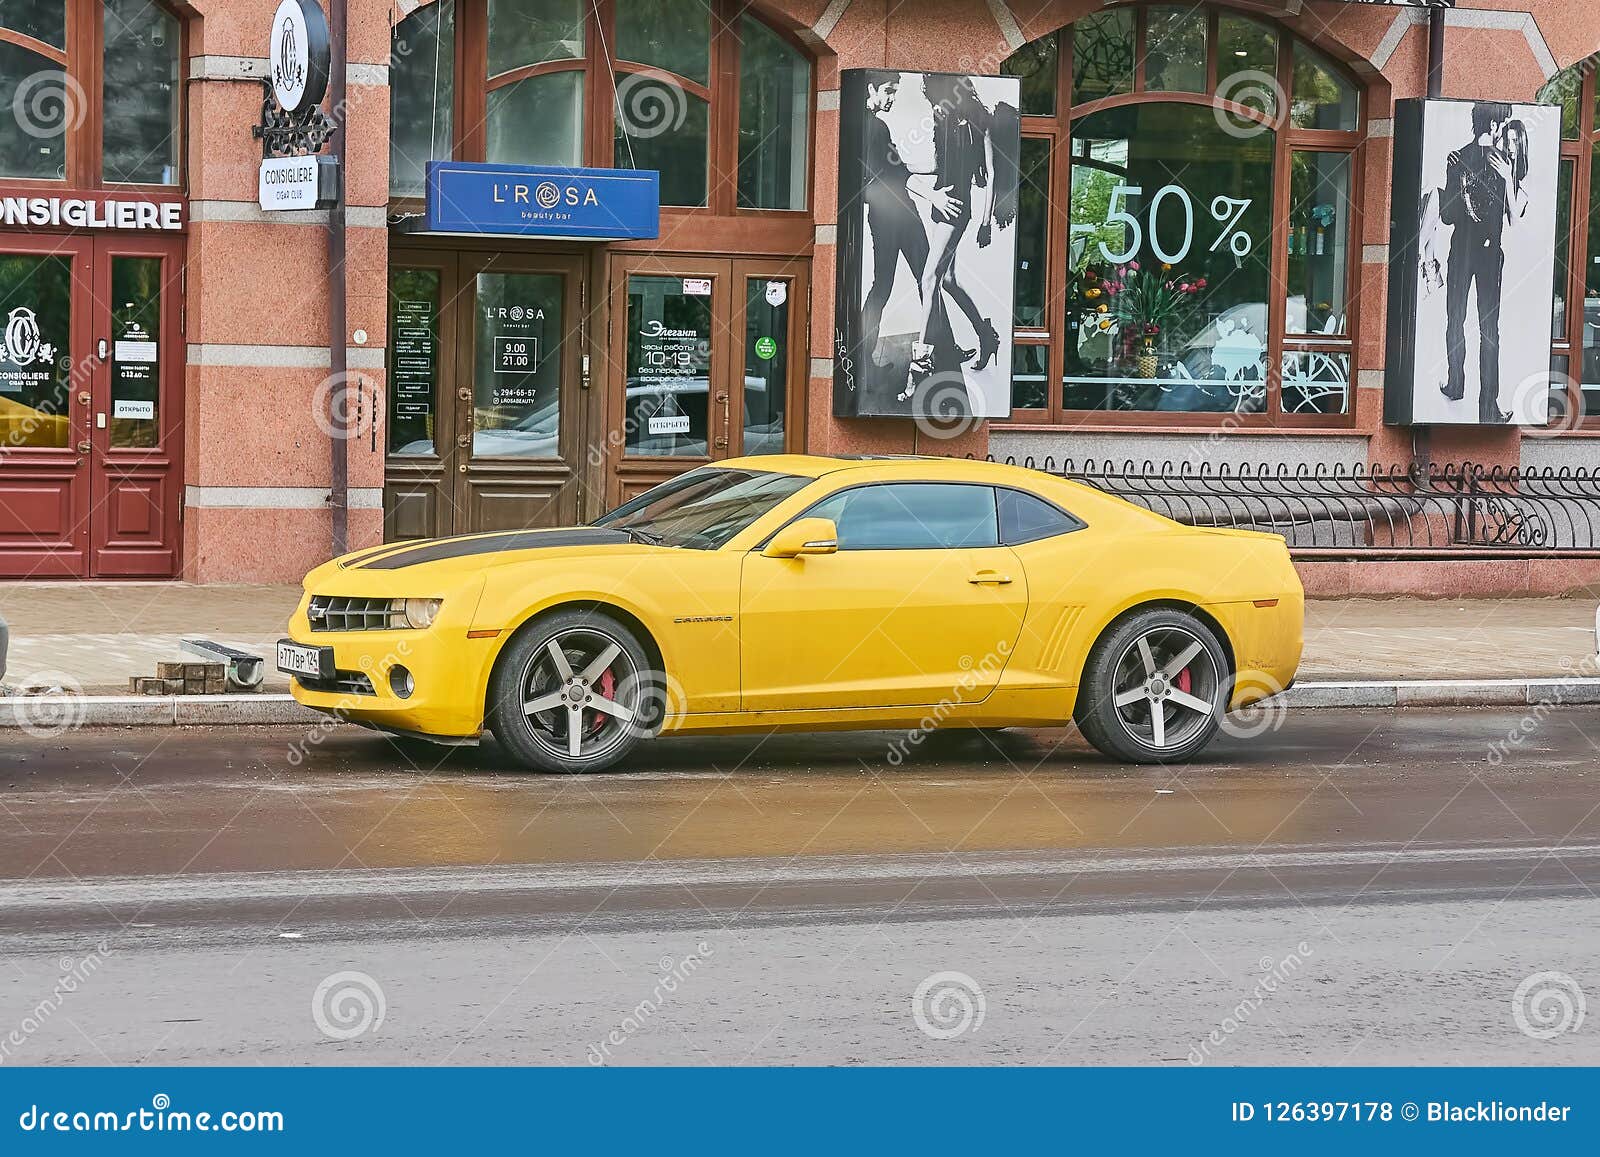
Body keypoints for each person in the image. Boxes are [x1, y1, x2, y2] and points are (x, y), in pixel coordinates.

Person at [901, 74, 1016, 407]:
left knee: (928, 279)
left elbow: (991, 173)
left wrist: (985, 222)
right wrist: (913, 178)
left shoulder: (980, 119)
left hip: (958, 207)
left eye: (935, 98)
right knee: (947, 280)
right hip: (944, 202)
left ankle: (920, 364)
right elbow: (939, 167)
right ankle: (985, 332)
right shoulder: (943, 119)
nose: (933, 104)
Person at [855, 75, 961, 407]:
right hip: (897, 214)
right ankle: (942, 357)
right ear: (871, 89)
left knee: (902, 283)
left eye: (896, 92)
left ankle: (866, 360)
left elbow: (898, 169)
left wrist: (931, 176)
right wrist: (933, 195)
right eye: (888, 91)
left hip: (891, 214)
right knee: (923, 280)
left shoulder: (869, 125)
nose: (891, 98)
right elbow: (890, 176)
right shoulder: (874, 127)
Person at [1439, 100, 1529, 424]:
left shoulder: (1457, 158)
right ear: (1492, 125)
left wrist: (1451, 178)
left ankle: (1455, 384)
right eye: (1502, 123)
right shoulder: (1503, 163)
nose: (1503, 128)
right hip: (1491, 256)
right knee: (1489, 329)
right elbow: (1514, 213)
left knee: (1455, 320)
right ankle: (1488, 408)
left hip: (1460, 253)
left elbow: (1448, 216)